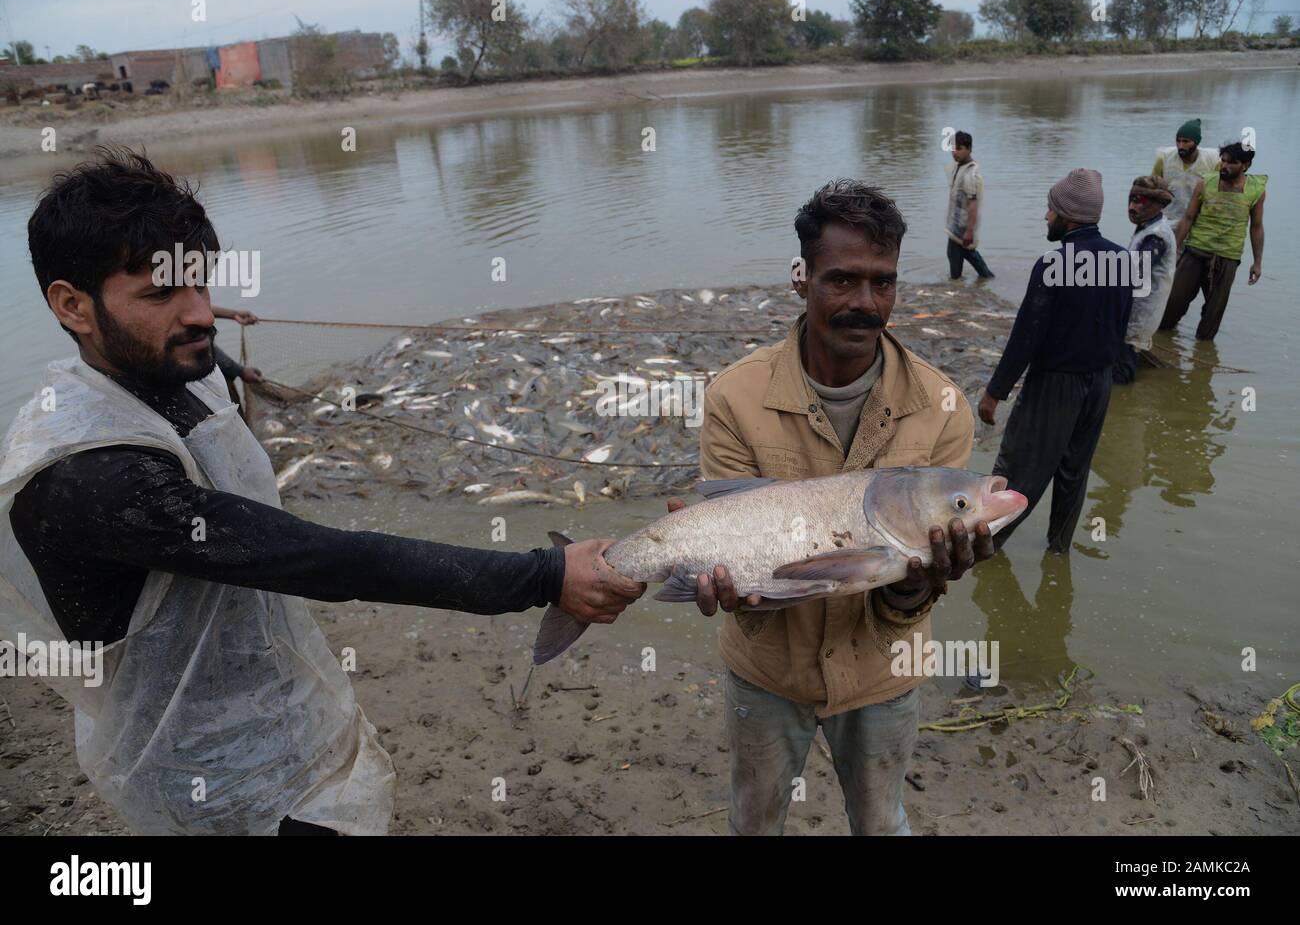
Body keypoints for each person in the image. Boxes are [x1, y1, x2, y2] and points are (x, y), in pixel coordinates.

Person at [0, 147, 645, 836]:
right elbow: (325, 559)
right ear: (73, 305)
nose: (198, 314)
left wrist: (213, 338)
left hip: (284, 704)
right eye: (162, 294)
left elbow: (198, 348)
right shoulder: (92, 475)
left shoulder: (163, 363)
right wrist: (544, 574)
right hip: (212, 775)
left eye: (201, 283)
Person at [676, 179, 993, 836]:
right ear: (803, 278)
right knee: (754, 821)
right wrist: (726, 585)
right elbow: (735, 555)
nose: (866, 303)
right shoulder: (735, 395)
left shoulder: (943, 409)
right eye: (842, 280)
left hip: (882, 669)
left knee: (882, 822)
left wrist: (925, 582)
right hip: (766, 668)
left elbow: (907, 596)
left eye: (883, 282)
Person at [978, 168, 1131, 553]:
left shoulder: (1055, 263)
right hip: (1099, 384)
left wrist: (995, 392)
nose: (1047, 217)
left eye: (1051, 210)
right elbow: (1121, 325)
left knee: (1018, 470)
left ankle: (984, 548)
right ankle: (1058, 550)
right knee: (1074, 472)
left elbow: (1026, 337)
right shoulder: (1123, 260)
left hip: (1055, 385)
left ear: (1069, 215)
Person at [1158, 141, 1266, 341]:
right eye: (1223, 161)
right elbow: (1188, 218)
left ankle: (1203, 356)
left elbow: (1256, 226)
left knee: (1212, 315)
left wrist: (1257, 262)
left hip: (1227, 257)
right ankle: (1163, 343)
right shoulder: (1205, 182)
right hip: (1195, 251)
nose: (1225, 166)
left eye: (1232, 163)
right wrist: (1171, 251)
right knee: (1173, 303)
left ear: (1246, 166)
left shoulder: (1256, 190)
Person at [1113, 176, 1177, 384]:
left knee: (1122, 370)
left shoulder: (1156, 236)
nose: (1132, 207)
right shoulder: (1147, 227)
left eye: (1139, 202)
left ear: (1157, 205)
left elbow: (1134, 275)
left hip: (1139, 314)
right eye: (1131, 200)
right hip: (1134, 311)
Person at [944, 131, 994, 281]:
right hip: (958, 226)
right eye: (952, 148)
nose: (954, 152)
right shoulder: (960, 167)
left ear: (969, 149)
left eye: (959, 148)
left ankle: (955, 286)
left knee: (956, 255)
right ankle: (986, 278)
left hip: (963, 228)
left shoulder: (970, 175)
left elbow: (973, 204)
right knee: (968, 254)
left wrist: (969, 231)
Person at [1151, 118, 1219, 227]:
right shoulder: (1164, 158)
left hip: (1199, 222)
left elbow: (1218, 194)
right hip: (1168, 219)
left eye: (1186, 141)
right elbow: (1152, 188)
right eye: (1178, 141)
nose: (1181, 146)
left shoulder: (1212, 160)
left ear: (1196, 142)